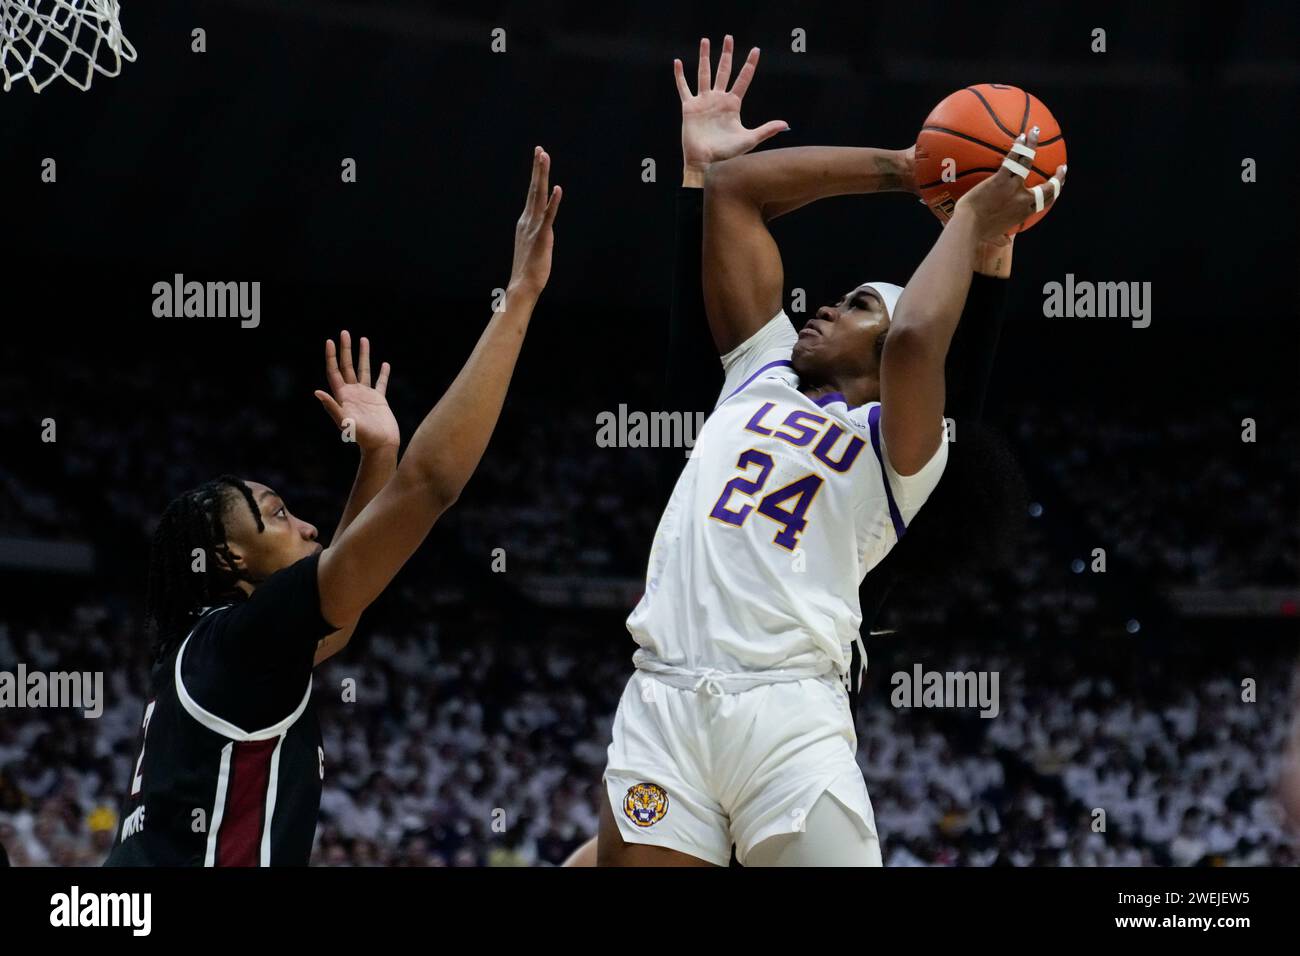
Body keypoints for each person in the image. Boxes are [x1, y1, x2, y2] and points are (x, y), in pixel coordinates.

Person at [596, 34, 1065, 866]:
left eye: (854, 306)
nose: (823, 310)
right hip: (663, 699)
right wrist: (915, 167)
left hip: (789, 718)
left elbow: (922, 337)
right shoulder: (756, 375)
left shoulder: (902, 453)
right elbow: (735, 190)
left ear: (884, 356)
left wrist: (973, 219)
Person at [105, 148, 562, 866]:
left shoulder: (218, 652)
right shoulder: (240, 642)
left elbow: (336, 624)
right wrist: (521, 297)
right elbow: (431, 487)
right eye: (279, 513)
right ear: (228, 558)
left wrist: (377, 456)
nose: (306, 522)